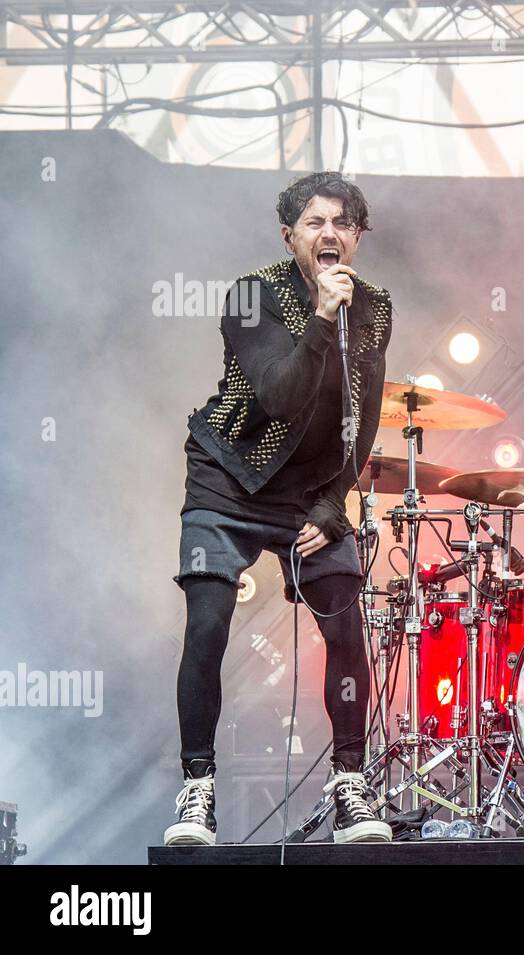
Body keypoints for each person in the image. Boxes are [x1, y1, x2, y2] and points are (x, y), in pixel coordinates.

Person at [166, 172, 393, 846]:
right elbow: (279, 397)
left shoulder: (375, 306)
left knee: (346, 626)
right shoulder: (252, 297)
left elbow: (365, 414)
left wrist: (333, 504)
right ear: (289, 234)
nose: (331, 233)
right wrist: (323, 317)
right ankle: (198, 788)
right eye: (316, 222)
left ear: (356, 238)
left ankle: (351, 782)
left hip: (311, 489)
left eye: (343, 224)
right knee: (207, 620)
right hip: (228, 477)